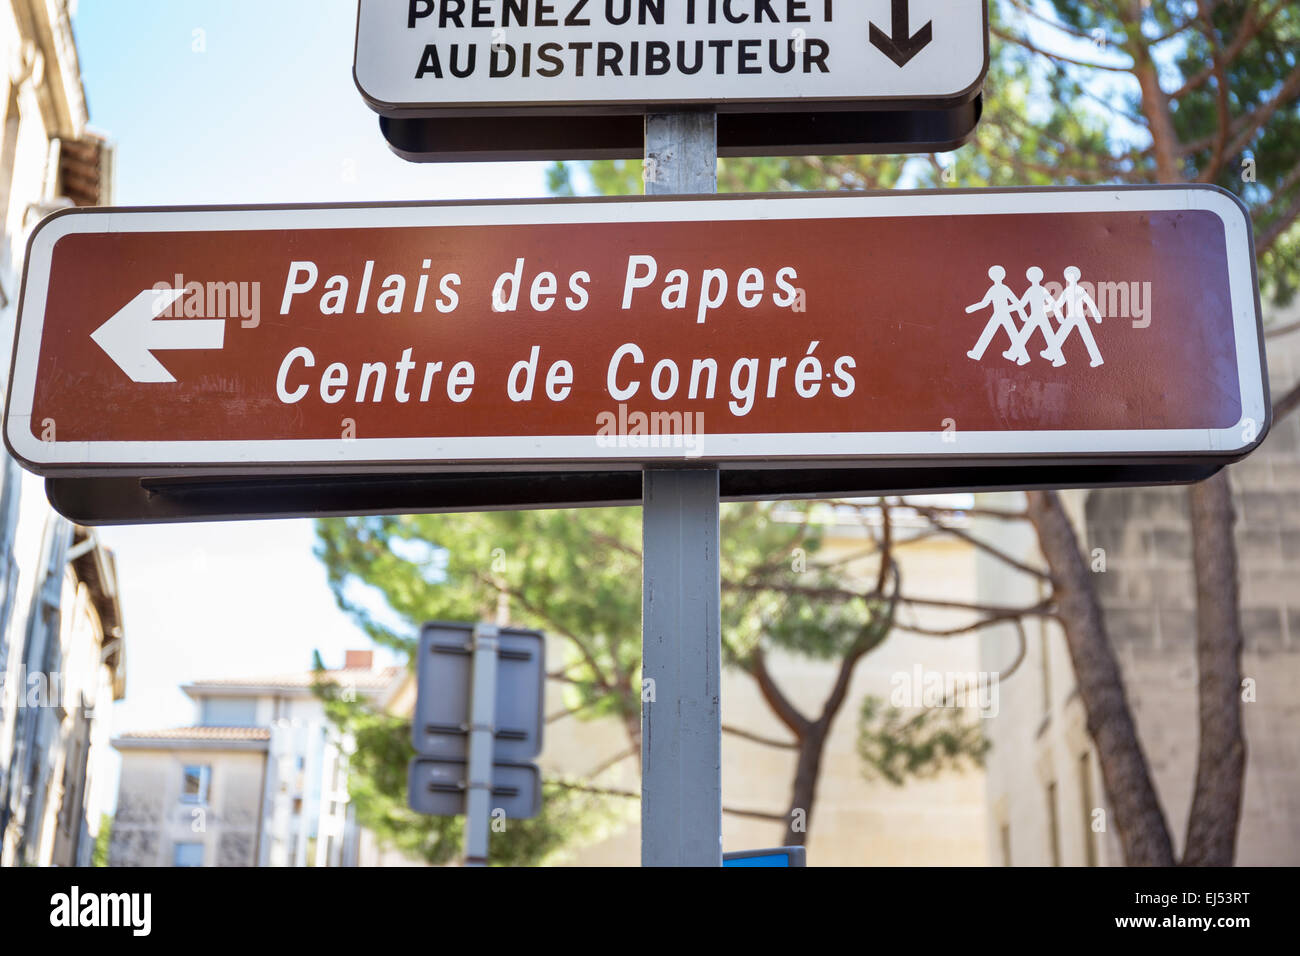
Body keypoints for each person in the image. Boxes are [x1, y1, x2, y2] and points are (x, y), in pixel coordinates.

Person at [966, 265, 1029, 363]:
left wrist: (1020, 312)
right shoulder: (995, 289)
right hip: (999, 314)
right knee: (1008, 335)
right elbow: (985, 303)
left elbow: (1016, 302)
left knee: (995, 334)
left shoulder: (1003, 288)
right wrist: (973, 308)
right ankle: (976, 353)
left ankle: (976, 353)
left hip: (1002, 314)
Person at [1044, 266, 1104, 367]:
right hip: (1071, 316)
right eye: (1068, 276)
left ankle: (1097, 359)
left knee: (1087, 337)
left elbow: (1089, 302)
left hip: (1079, 316)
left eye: (1072, 276)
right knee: (1060, 335)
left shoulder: (1080, 290)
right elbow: (1059, 304)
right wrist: (1047, 308)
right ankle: (1050, 352)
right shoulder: (1067, 291)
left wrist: (1097, 316)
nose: (1070, 278)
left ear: (1076, 277)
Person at [1004, 266, 1057, 366]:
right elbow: (1022, 304)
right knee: (1047, 337)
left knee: (1024, 335)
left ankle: (1014, 354)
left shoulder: (1036, 290)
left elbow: (1021, 304)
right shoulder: (1038, 289)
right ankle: (1014, 354)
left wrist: (1007, 308)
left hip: (1037, 315)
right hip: (1036, 315)